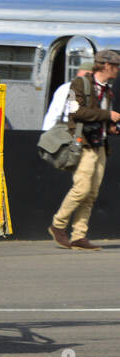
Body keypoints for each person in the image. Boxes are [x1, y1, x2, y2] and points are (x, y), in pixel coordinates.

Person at [48, 49, 120, 250]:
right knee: (82, 189)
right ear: (106, 66)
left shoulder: (108, 89)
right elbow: (75, 111)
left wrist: (111, 126)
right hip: (84, 144)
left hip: (101, 145)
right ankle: (58, 224)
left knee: (92, 193)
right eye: (116, 66)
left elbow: (101, 117)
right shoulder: (79, 84)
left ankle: (79, 236)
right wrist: (107, 115)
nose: (118, 70)